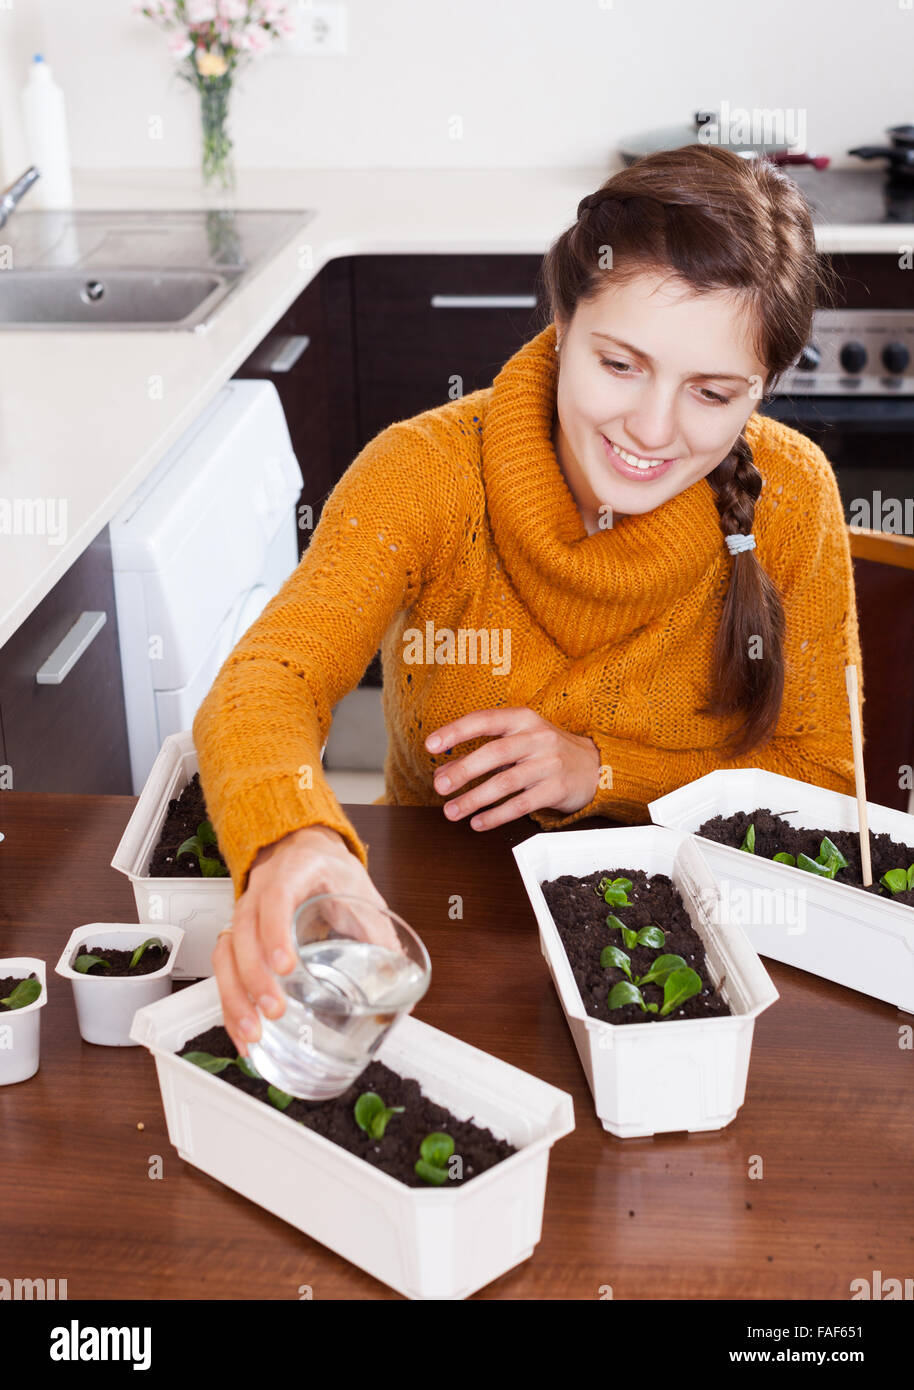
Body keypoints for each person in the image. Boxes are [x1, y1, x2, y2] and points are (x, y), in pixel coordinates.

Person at [192, 144, 862, 1057]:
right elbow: (271, 677)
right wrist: (294, 842)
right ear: (561, 319)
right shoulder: (425, 471)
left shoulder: (795, 495)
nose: (653, 430)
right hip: (446, 926)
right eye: (620, 364)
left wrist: (602, 769)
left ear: (765, 388)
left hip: (706, 961)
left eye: (711, 393)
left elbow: (824, 781)